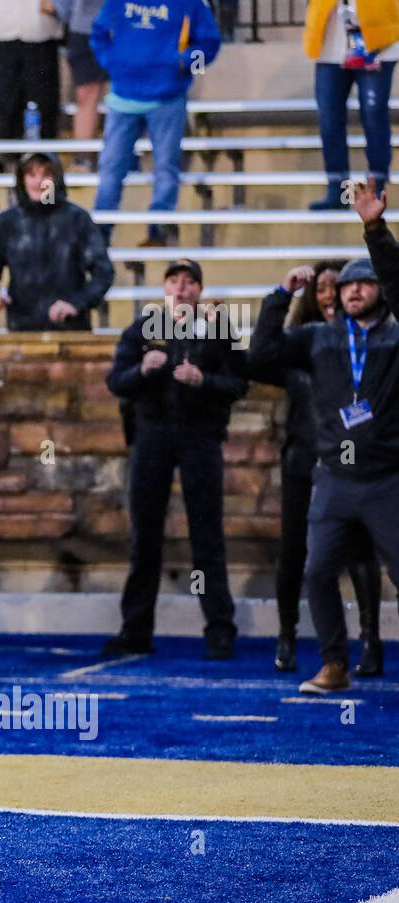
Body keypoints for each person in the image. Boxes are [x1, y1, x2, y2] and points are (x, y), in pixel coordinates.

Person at [247, 179, 399, 692]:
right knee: (316, 573)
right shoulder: (320, 337)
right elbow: (261, 355)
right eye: (347, 285)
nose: (355, 289)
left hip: (387, 479)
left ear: (380, 290)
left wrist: (374, 229)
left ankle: (367, 651)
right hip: (333, 477)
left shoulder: (396, 338)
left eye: (366, 283)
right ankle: (335, 664)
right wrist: (279, 296)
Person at [103, 259, 247, 659]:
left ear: (199, 290)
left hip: (201, 438)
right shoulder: (142, 328)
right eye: (174, 281)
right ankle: (135, 630)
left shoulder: (219, 330)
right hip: (153, 436)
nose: (181, 289)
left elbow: (239, 383)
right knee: (144, 536)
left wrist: (205, 382)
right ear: (165, 287)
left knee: (207, 537)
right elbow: (116, 381)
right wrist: (141, 371)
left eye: (189, 282)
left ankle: (219, 630)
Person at [91, 0, 222, 246]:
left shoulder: (190, 4)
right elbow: (98, 34)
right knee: (110, 169)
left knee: (166, 168)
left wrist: (185, 65)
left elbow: (210, 44)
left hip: (168, 98)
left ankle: (159, 232)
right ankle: (99, 236)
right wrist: (113, 64)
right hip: (122, 97)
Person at [0, 152, 114, 331]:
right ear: (22, 180)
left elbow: (103, 271)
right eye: (31, 175)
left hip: (70, 329)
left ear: (56, 179)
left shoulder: (77, 219)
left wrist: (76, 303)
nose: (38, 182)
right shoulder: (8, 222)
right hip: (22, 328)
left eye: (46, 175)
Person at [304, 0, 399, 210]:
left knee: (373, 113)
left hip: (377, 41)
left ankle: (376, 190)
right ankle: (339, 191)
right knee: (329, 117)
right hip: (330, 42)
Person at [0, 0, 64, 170]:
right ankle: (3, 163)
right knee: (3, 105)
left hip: (41, 34)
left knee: (45, 104)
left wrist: (60, 6)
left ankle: (43, 167)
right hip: (2, 33)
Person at [54, 0, 109, 172]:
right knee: (86, 95)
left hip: (130, 28)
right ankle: (82, 158)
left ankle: (129, 157)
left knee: (129, 94)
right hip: (86, 29)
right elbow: (61, 8)